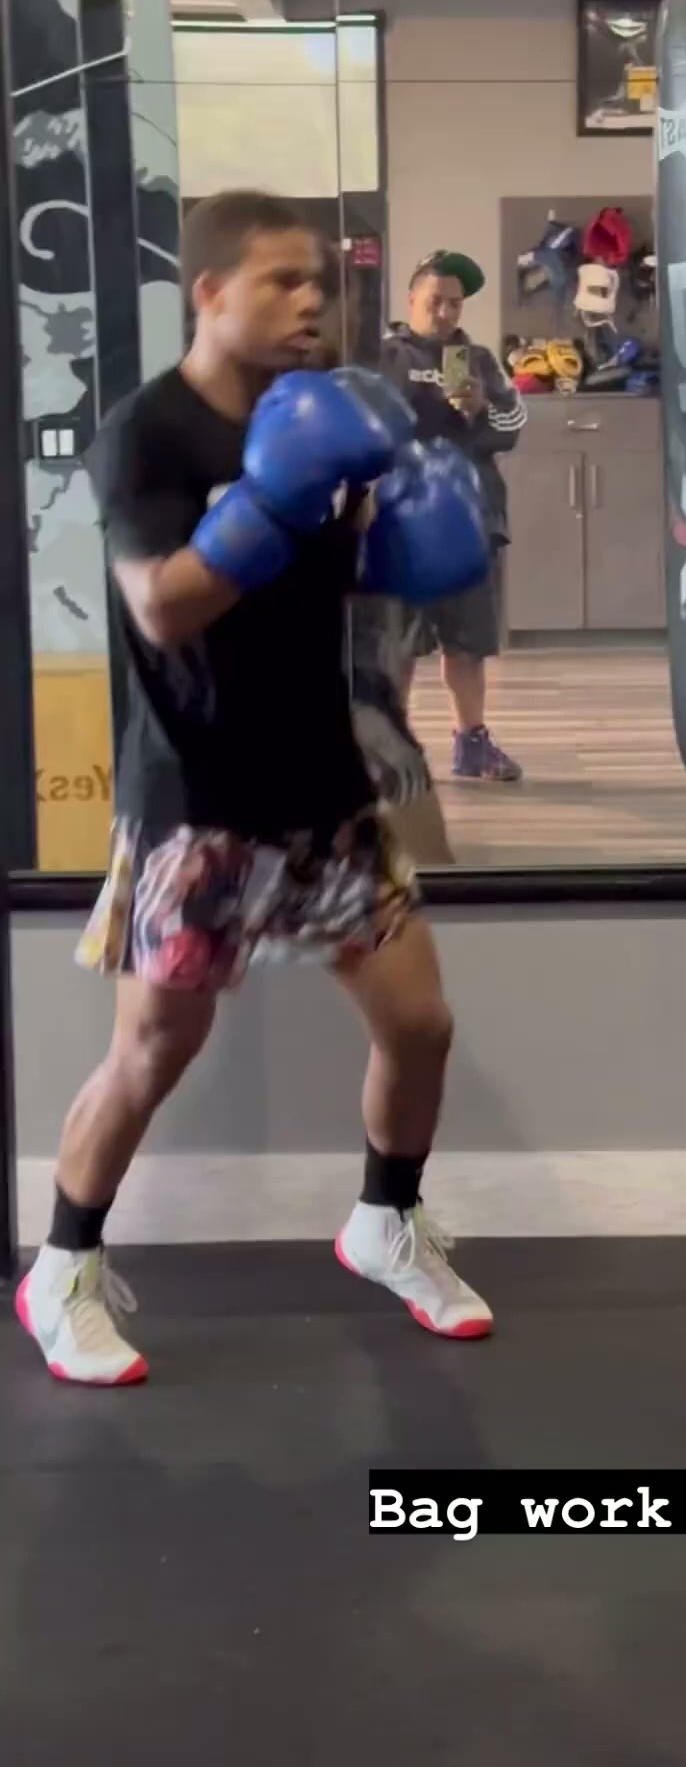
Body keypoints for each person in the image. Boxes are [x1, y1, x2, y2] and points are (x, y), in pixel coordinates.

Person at [15, 191, 493, 1388]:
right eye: (283, 282)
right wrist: (275, 498)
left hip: (323, 783)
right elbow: (163, 605)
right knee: (153, 1048)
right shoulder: (151, 434)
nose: (312, 305)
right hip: (197, 793)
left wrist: (408, 538)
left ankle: (386, 1221)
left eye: (321, 285)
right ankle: (58, 1268)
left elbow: (358, 586)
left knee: (420, 1025)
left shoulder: (334, 419)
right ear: (212, 293)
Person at [309, 246, 456, 866]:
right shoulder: (215, 419)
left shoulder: (359, 394)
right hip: (263, 670)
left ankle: (439, 898)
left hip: (353, 647)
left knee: (395, 761)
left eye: (340, 300)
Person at [381, 250, 525, 783]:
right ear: (412, 299)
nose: (445, 313)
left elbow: (512, 423)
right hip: (400, 525)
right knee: (398, 646)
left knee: (468, 643)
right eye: (435, 300)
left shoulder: (481, 360)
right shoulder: (381, 358)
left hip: (470, 522)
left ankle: (472, 744)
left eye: (455, 304)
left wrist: (477, 408)